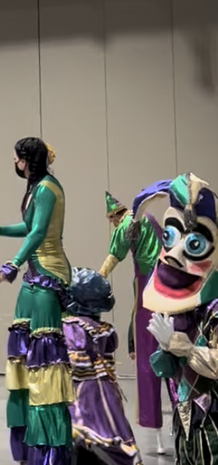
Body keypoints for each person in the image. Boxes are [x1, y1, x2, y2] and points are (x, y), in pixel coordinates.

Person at [0, 137, 73, 464]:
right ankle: (28, 447)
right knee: (22, 354)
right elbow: (29, 227)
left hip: (49, 274)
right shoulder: (37, 189)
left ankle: (49, 451)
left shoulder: (47, 189)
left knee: (45, 361)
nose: (15, 164)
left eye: (17, 159)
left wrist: (12, 263)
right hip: (34, 276)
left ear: (27, 160)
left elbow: (38, 232)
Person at [128, 173, 218, 465]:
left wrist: (188, 349)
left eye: (194, 244)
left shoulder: (215, 309)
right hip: (186, 419)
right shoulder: (180, 309)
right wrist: (166, 348)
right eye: (170, 237)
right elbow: (165, 369)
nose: (175, 255)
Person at [99, 191, 176, 453]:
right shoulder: (151, 220)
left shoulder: (125, 226)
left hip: (149, 289)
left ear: (114, 216)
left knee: (149, 361)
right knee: (176, 354)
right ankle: (180, 417)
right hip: (171, 285)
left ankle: (155, 431)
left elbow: (113, 257)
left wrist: (98, 277)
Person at [63, 267, 141, 465]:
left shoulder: (73, 326)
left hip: (82, 389)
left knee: (83, 425)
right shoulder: (104, 329)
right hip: (106, 387)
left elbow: (75, 362)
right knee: (111, 421)